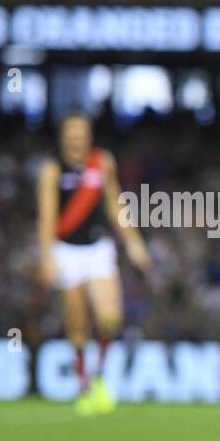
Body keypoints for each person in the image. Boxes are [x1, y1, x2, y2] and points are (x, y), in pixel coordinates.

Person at [36, 112, 151, 414]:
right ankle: (83, 385)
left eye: (80, 132)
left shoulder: (102, 163)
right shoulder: (51, 170)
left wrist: (133, 241)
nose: (75, 138)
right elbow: (47, 215)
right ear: (63, 137)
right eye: (70, 132)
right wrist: (47, 257)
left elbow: (115, 202)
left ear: (88, 136)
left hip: (98, 248)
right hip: (66, 251)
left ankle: (99, 375)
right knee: (76, 324)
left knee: (110, 318)